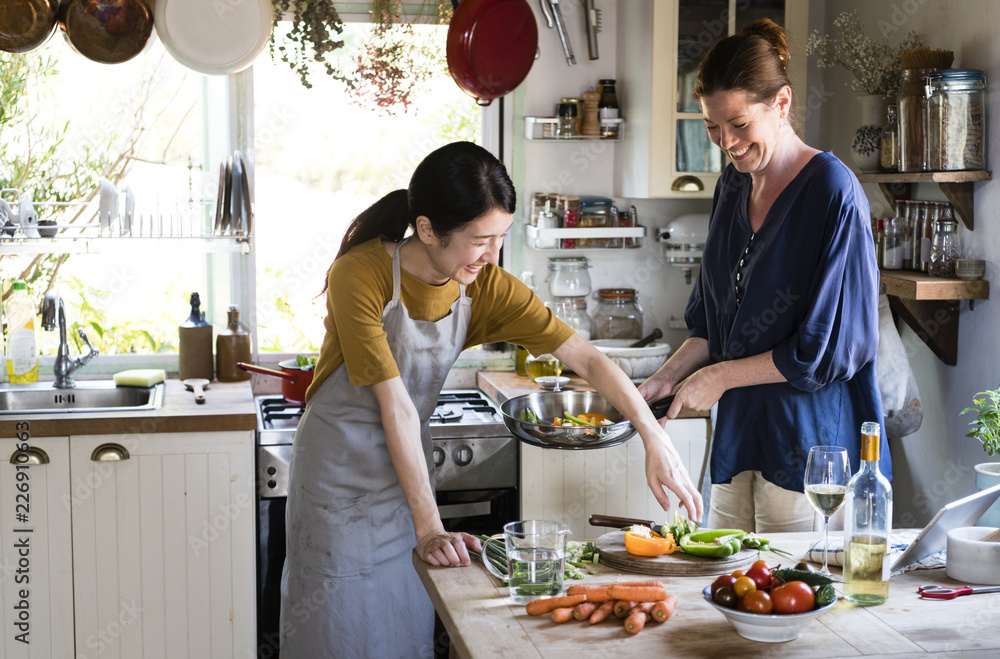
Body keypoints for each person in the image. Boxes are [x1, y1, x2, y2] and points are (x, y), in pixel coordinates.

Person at [280, 141, 702, 658]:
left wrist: (653, 438)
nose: (492, 255)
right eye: (481, 240)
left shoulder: (485, 286)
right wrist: (432, 528)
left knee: (402, 628)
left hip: (405, 480)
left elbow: (588, 360)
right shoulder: (360, 274)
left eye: (501, 237)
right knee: (338, 628)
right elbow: (396, 405)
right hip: (338, 476)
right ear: (429, 228)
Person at [639, 19, 890, 534]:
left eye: (738, 124)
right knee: (727, 596)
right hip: (737, 440)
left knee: (800, 605)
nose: (726, 143)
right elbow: (711, 324)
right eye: (712, 126)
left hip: (811, 455)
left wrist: (717, 377)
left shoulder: (832, 193)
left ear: (781, 103)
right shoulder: (732, 187)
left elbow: (823, 350)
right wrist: (667, 377)